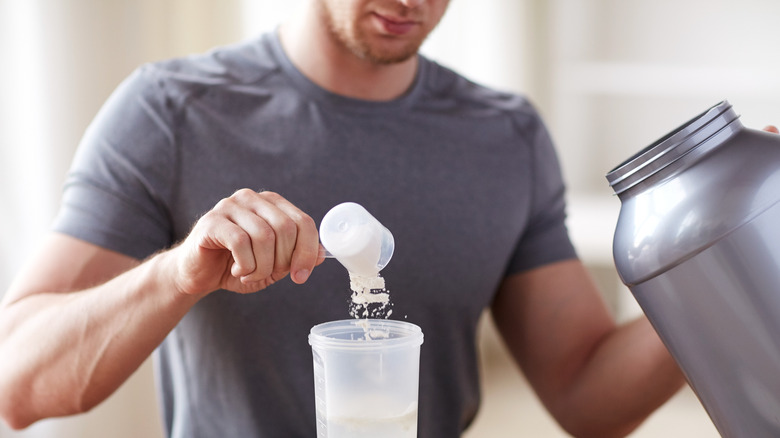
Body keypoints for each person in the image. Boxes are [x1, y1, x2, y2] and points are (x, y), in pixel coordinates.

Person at [0, 0, 687, 436]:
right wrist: (178, 274)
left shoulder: (505, 137)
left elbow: (590, 400)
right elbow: (16, 387)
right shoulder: (172, 113)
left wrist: (719, 260)